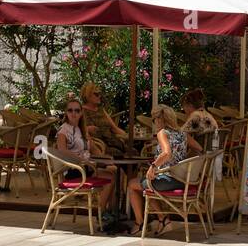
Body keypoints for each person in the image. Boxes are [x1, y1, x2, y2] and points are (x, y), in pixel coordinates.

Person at [127, 105, 201, 234]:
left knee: (132, 185)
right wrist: (185, 163)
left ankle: (140, 223)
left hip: (168, 179)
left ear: (159, 119)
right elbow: (199, 148)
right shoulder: (183, 133)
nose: (154, 122)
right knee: (148, 183)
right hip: (183, 180)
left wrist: (153, 166)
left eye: (154, 119)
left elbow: (167, 153)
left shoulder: (163, 133)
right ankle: (163, 219)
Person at [55, 95, 114, 212]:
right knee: (111, 178)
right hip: (74, 170)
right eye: (70, 110)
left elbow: (94, 149)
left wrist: (107, 161)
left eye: (77, 110)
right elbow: (62, 151)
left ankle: (111, 212)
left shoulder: (81, 130)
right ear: (66, 113)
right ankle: (101, 213)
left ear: (81, 113)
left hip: (87, 167)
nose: (73, 113)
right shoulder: (64, 130)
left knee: (115, 171)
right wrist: (83, 160)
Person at [80, 82, 126, 154]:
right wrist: (87, 129)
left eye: (100, 94)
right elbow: (75, 129)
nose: (99, 96)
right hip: (99, 145)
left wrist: (128, 136)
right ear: (87, 96)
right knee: (119, 153)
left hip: (112, 141)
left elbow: (114, 128)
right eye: (96, 94)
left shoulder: (101, 110)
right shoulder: (80, 111)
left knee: (133, 151)